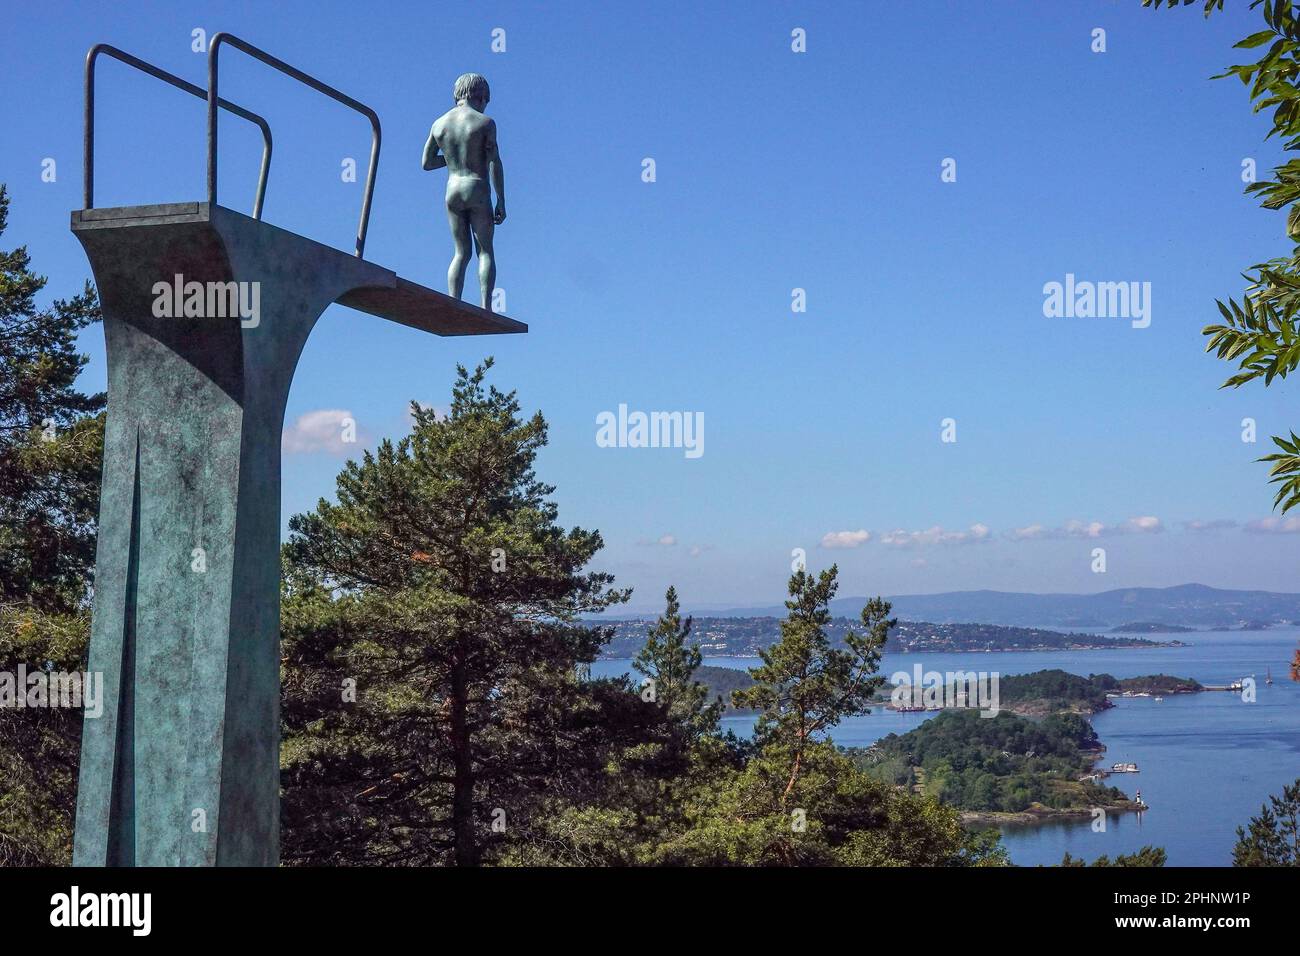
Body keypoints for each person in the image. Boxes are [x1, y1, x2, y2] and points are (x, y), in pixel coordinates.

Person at [422, 72, 506, 309]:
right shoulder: (485, 123)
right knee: (485, 251)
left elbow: (426, 163)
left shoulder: (439, 124)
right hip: (476, 187)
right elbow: (494, 162)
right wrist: (501, 199)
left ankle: (453, 303)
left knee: (460, 253)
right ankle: (485, 306)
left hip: (453, 190)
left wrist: (451, 158)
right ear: (480, 96)